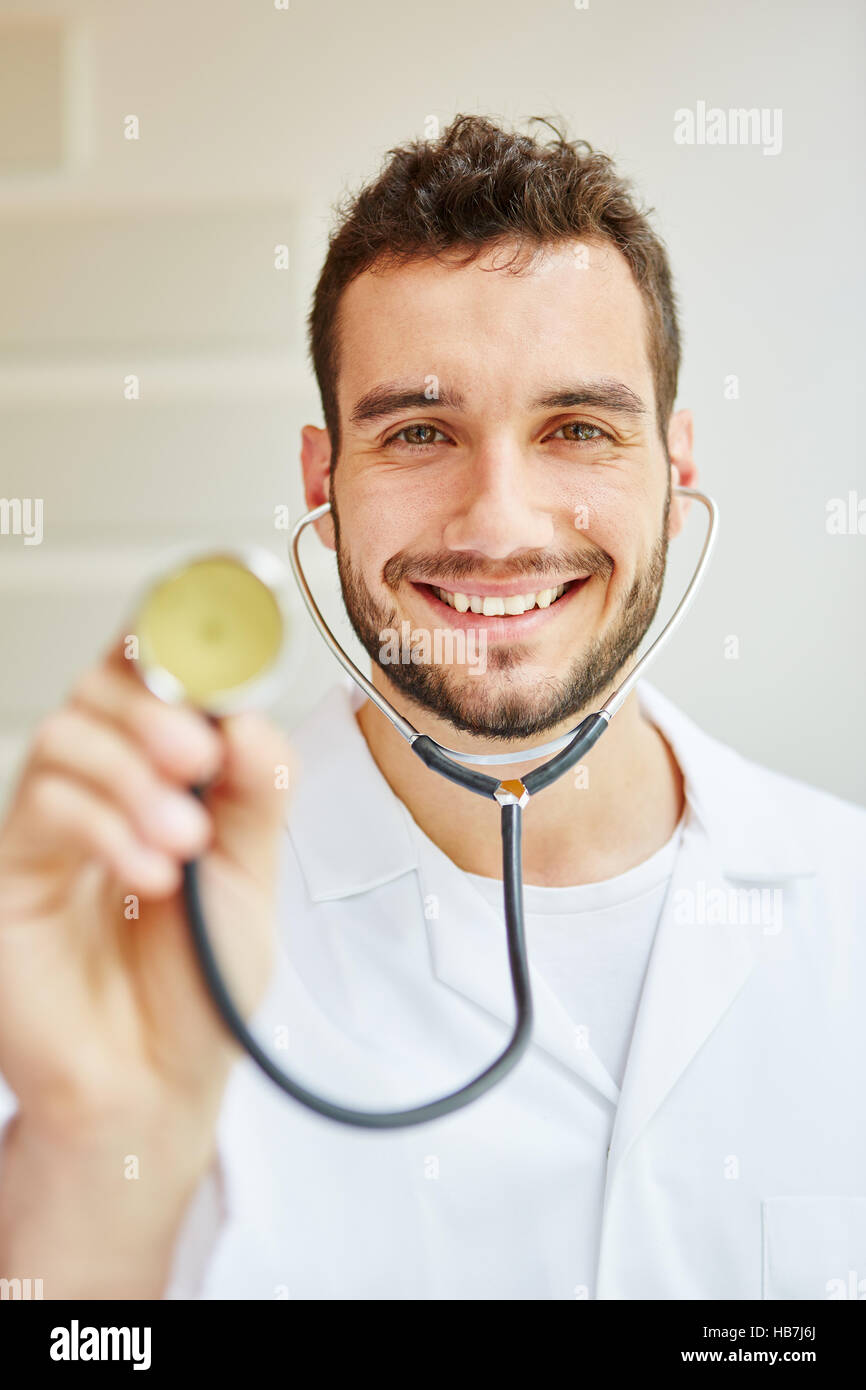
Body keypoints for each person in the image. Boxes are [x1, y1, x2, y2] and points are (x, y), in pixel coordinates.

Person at [0, 115, 864, 1302]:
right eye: (418, 431)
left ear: (673, 471)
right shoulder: (131, 931)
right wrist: (97, 1145)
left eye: (576, 429)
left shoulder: (846, 898)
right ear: (322, 481)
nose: (498, 524)